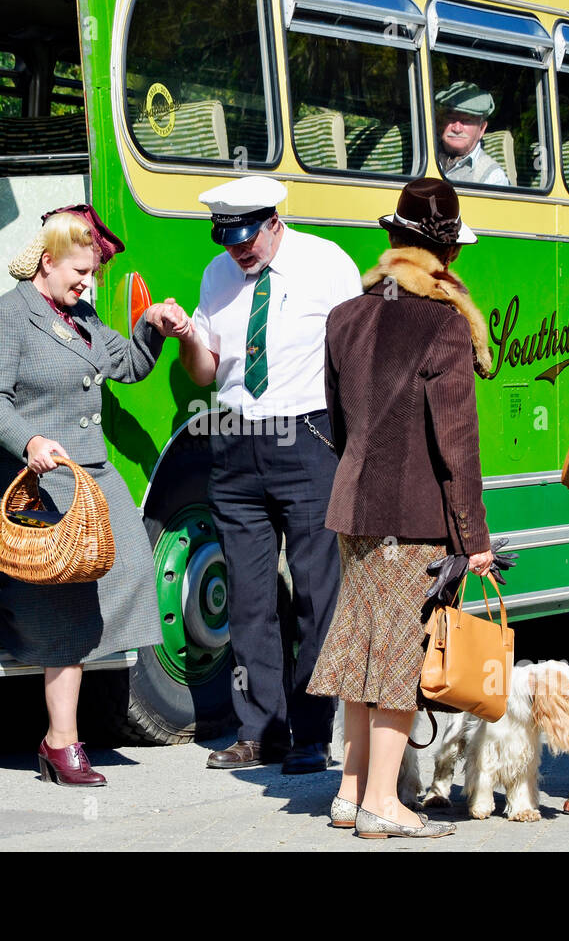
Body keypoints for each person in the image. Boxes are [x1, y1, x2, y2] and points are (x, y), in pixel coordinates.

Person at [0, 205, 195, 787]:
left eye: (91, 275)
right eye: (79, 273)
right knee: (64, 607)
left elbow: (130, 366)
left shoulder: (82, 317)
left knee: (132, 571)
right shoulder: (6, 318)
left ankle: (62, 712)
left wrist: (155, 327)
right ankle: (61, 742)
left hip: (93, 479)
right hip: (41, 482)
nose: (87, 284)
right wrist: (30, 441)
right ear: (46, 262)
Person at [307, 177, 497, 838]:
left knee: (364, 651)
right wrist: (474, 537)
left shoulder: (345, 317)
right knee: (398, 661)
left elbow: (336, 422)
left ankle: (349, 791)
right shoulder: (444, 325)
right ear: (446, 258)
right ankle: (383, 804)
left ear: (392, 242)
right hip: (413, 519)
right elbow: (457, 449)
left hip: (352, 508)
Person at [176, 175, 361, 774]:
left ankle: (311, 733)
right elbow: (205, 373)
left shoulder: (327, 263)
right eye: (228, 241)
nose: (239, 251)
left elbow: (355, 354)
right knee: (251, 599)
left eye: (248, 239)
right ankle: (260, 731)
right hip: (234, 439)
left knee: (315, 594)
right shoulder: (216, 272)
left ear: (275, 222)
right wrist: (185, 337)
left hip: (306, 436)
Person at [435, 81, 510, 187]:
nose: (457, 129)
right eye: (450, 119)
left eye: (466, 120)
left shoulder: (492, 177)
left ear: (482, 129)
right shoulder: (421, 157)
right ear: (439, 123)